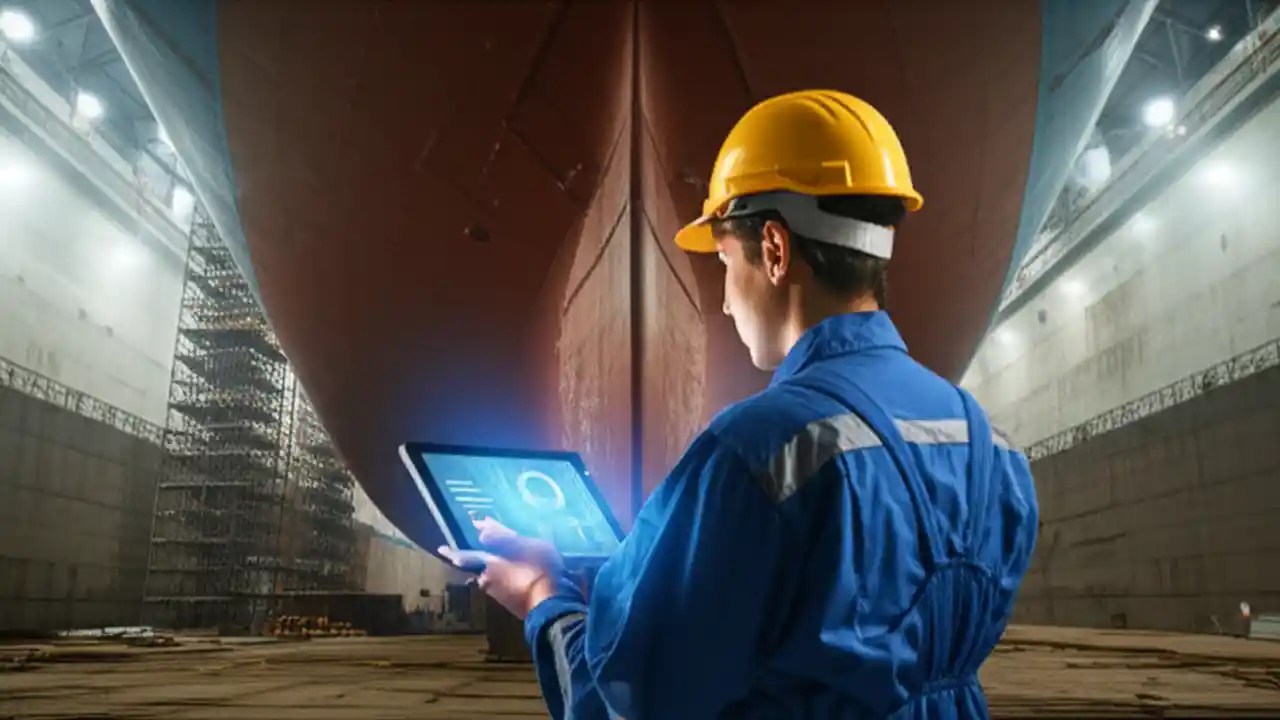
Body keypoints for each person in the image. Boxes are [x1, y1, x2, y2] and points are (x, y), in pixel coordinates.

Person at [461, 89, 1039, 718]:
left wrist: (544, 594)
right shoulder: (990, 448)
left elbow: (621, 699)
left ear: (773, 249)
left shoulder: (761, 451)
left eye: (724, 263)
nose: (725, 301)